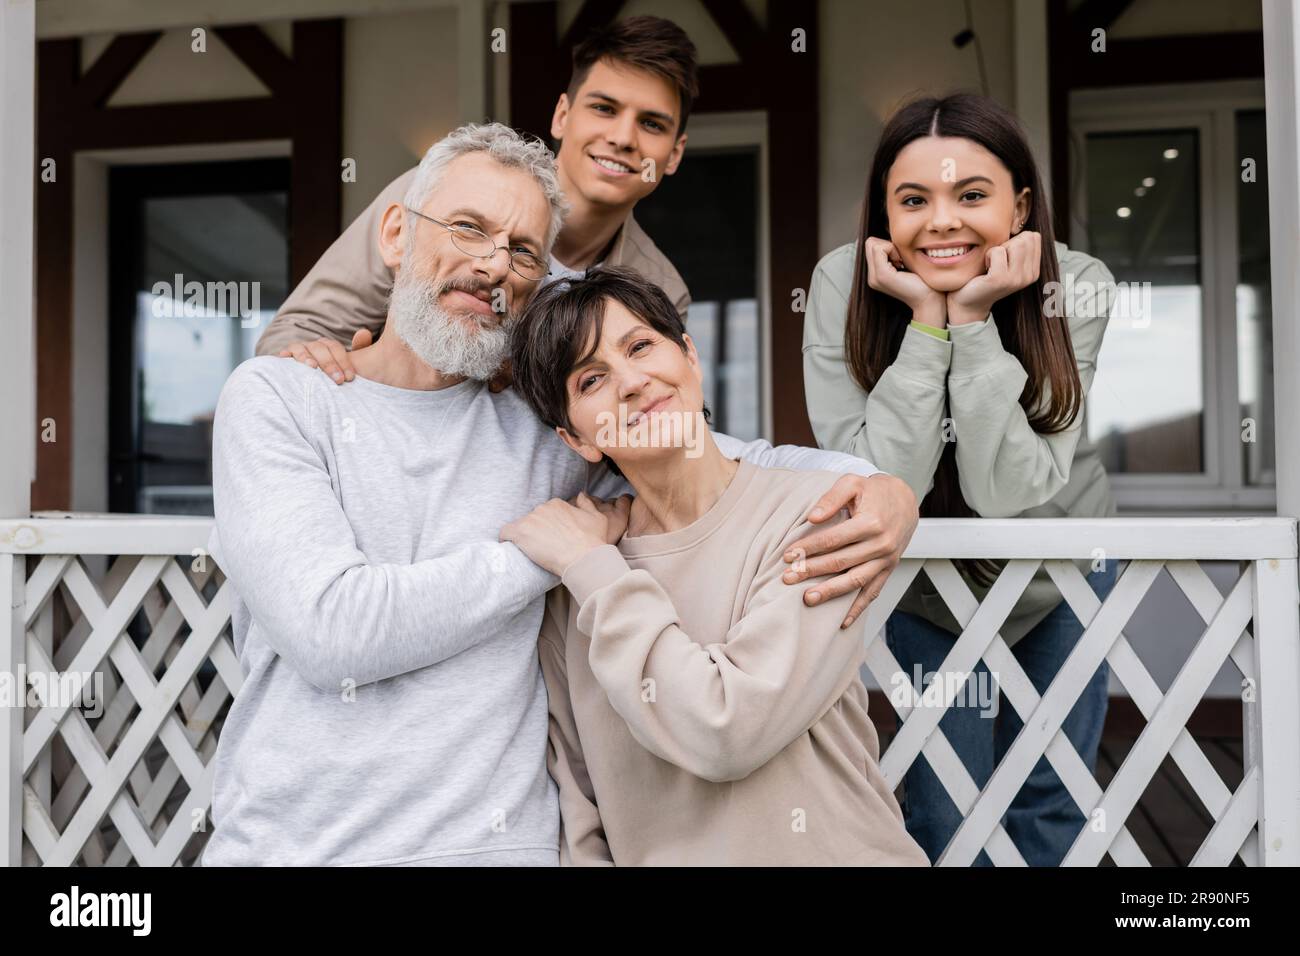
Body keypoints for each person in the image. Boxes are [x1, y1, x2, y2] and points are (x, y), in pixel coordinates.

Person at [201, 122, 916, 866]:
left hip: (495, 851)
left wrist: (877, 486)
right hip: (292, 850)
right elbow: (332, 633)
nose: (491, 266)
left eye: (521, 252)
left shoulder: (549, 425)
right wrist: (548, 557)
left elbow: (699, 447)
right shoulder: (281, 398)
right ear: (393, 233)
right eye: (468, 228)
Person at [501, 266, 929, 866]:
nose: (631, 381)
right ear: (576, 439)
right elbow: (580, 802)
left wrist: (597, 569)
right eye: (592, 379)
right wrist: (590, 567)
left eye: (641, 346)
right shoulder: (574, 579)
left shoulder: (816, 515)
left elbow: (728, 730)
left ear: (690, 357)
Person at [801, 92, 1118, 866]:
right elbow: (886, 484)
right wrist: (927, 321)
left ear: (1020, 208)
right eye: (914, 200)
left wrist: (973, 323)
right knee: (947, 809)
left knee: (1056, 798)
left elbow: (1012, 488)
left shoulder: (1073, 283)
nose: (941, 220)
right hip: (926, 592)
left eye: (971, 195)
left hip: (1062, 576)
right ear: (884, 213)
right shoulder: (843, 286)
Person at [257, 15, 699, 374]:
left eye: (652, 124)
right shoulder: (436, 193)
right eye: (604, 108)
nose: (623, 138)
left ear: (675, 153)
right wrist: (330, 369)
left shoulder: (660, 287)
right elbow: (292, 334)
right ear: (562, 115)